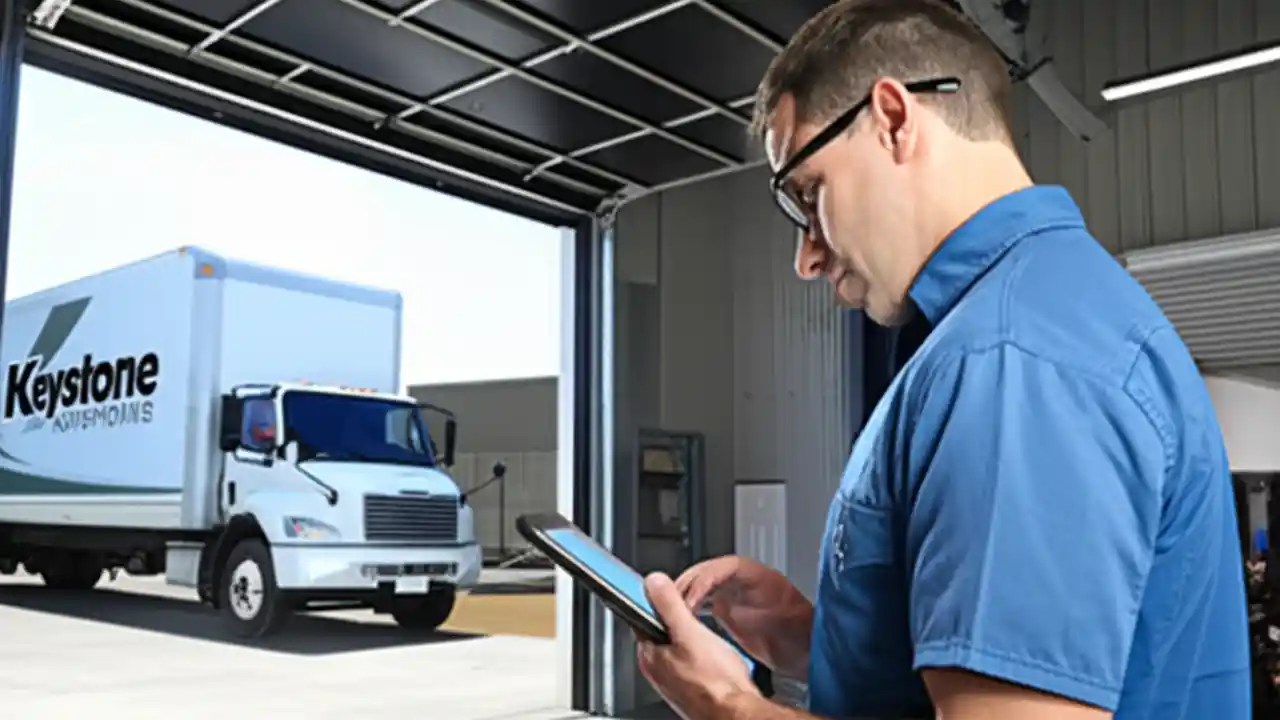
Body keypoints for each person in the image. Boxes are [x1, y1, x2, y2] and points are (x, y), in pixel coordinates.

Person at [633, 1, 1252, 718]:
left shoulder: (1009, 363)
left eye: (808, 195)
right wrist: (816, 636)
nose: (805, 257)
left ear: (893, 119)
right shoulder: (1039, 315)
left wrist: (726, 704)